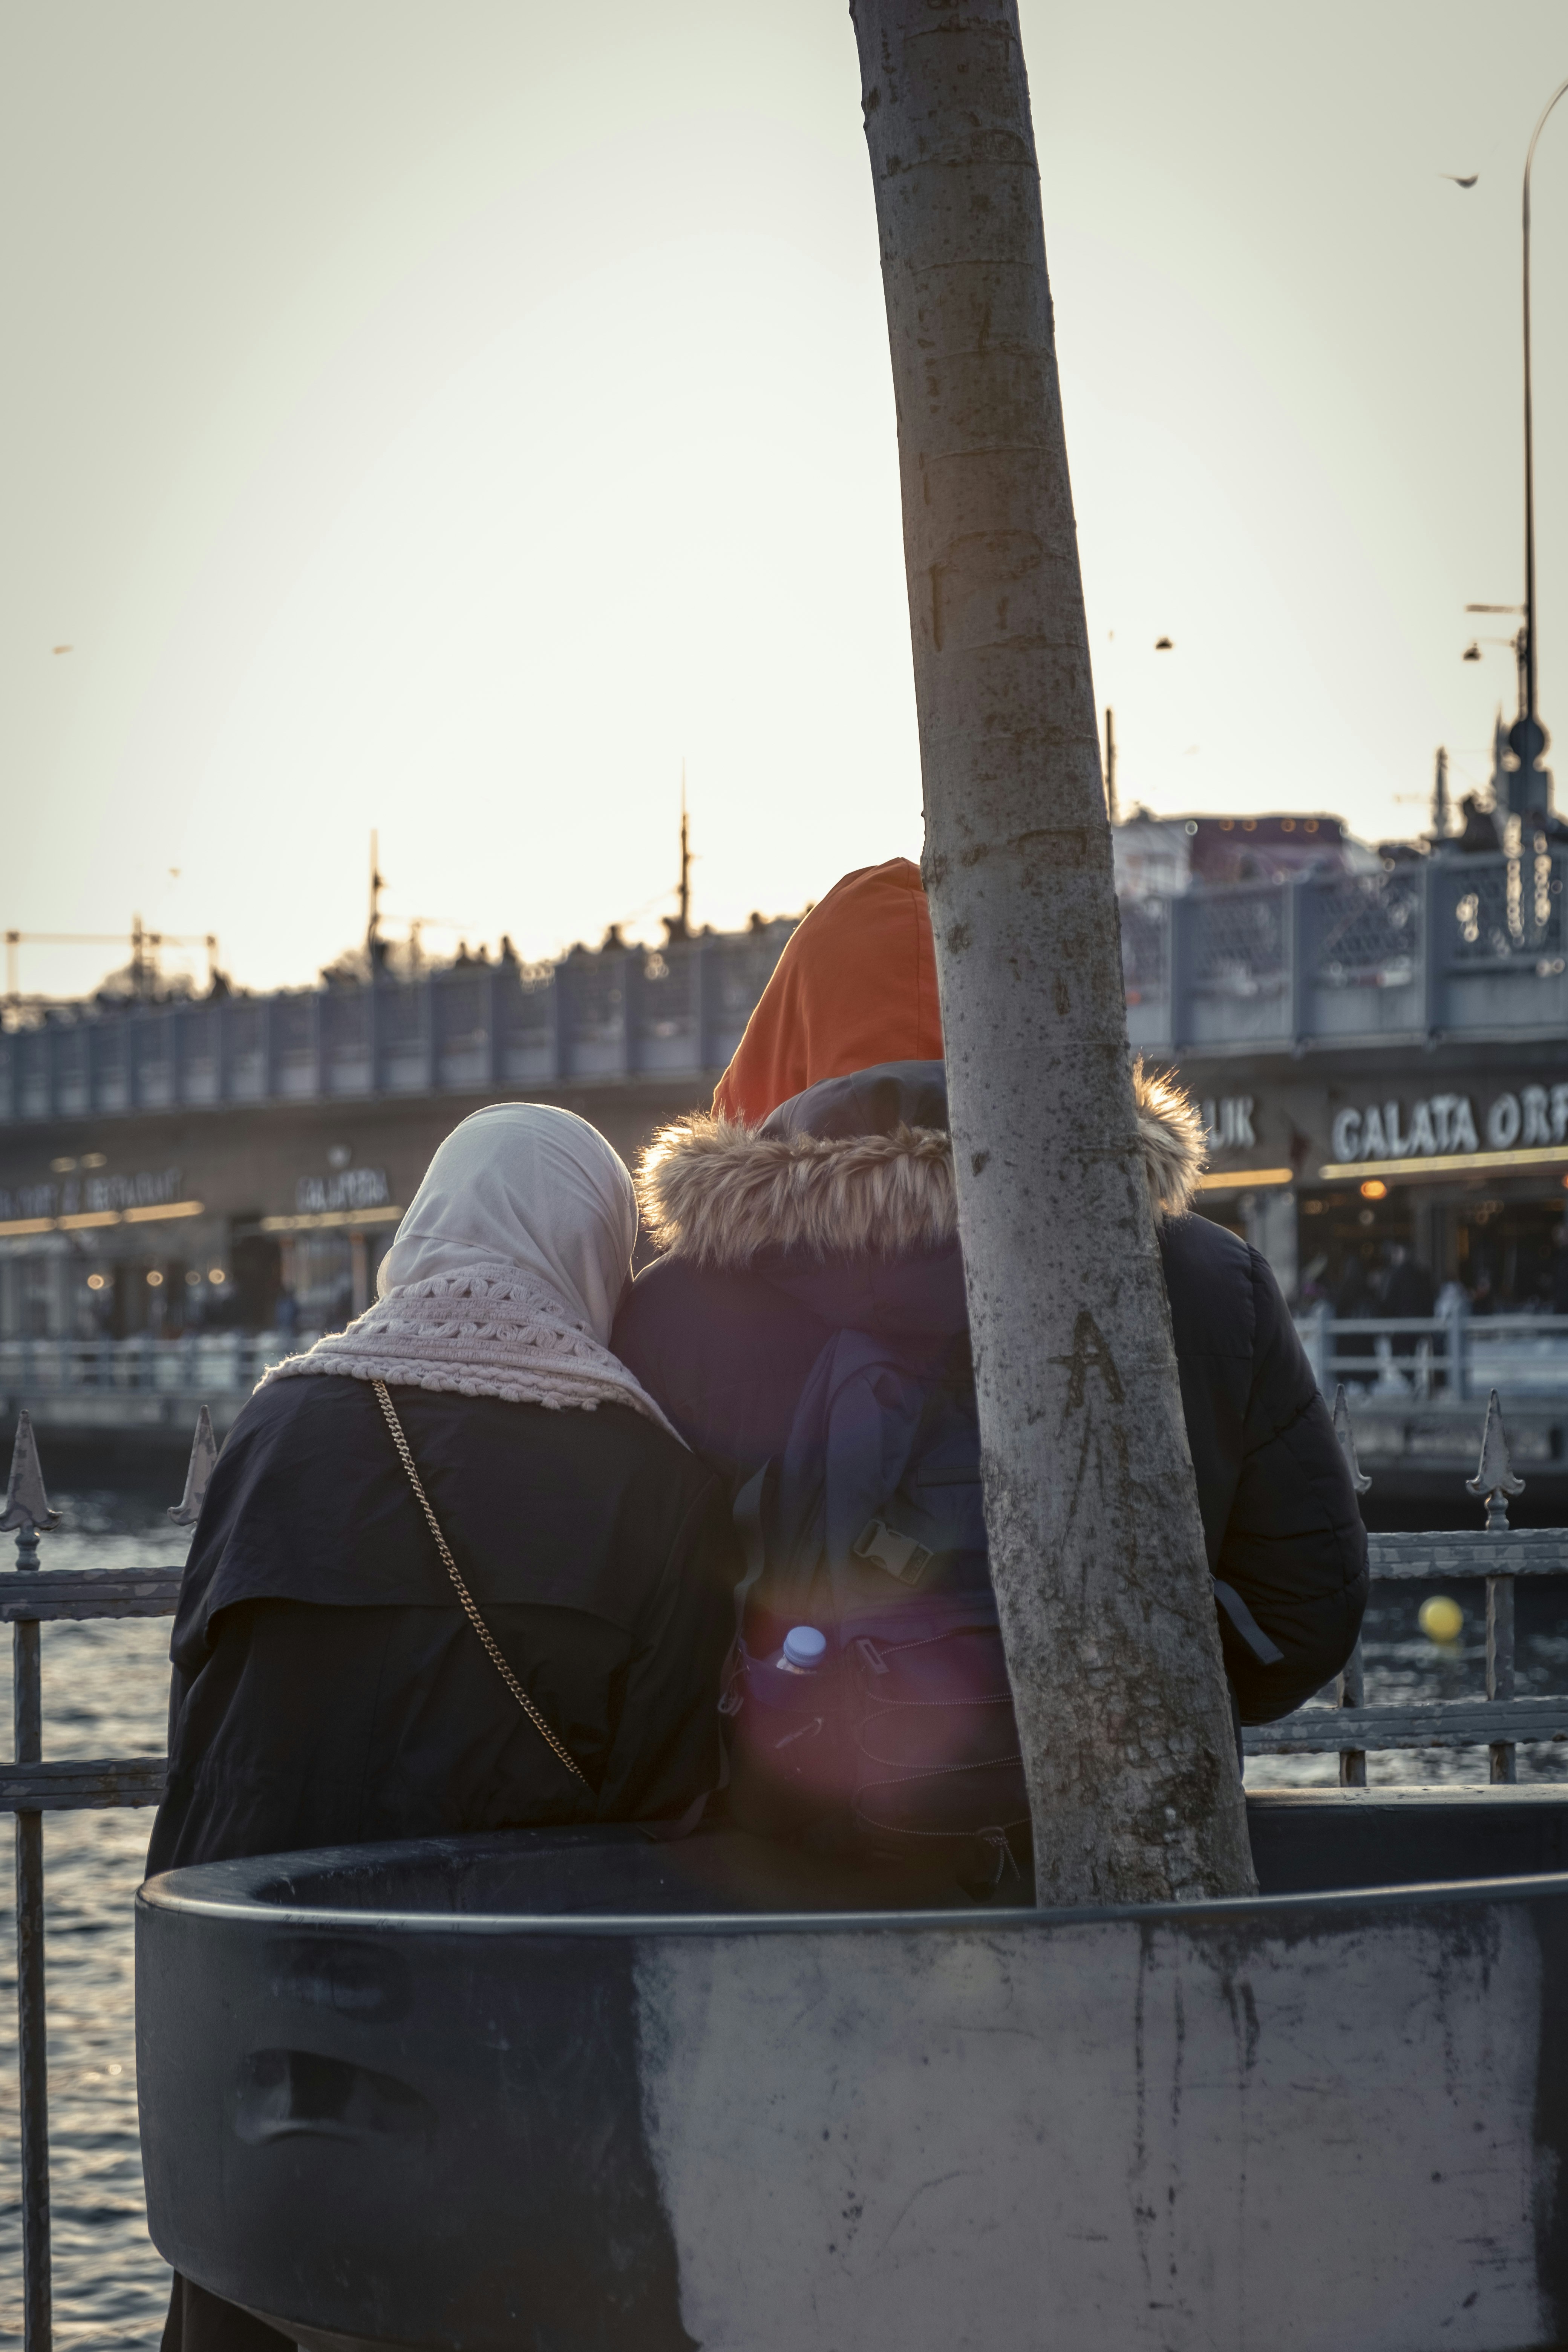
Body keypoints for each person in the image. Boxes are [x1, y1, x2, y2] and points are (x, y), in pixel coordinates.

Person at [150, 1102, 737, 2351]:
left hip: (252, 1968)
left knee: (257, 2292)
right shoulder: (654, 1478)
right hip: (498, 2003)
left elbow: (198, 1696)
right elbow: (670, 1789)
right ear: (595, 1251)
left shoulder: (277, 1426)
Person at [613, 857, 1367, 1772]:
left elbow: (637, 1630)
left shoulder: (678, 1311)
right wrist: (1141, 1689)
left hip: (791, 1850)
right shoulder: (1204, 1278)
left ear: (788, 1034)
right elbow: (1305, 1615)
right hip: (1137, 1840)